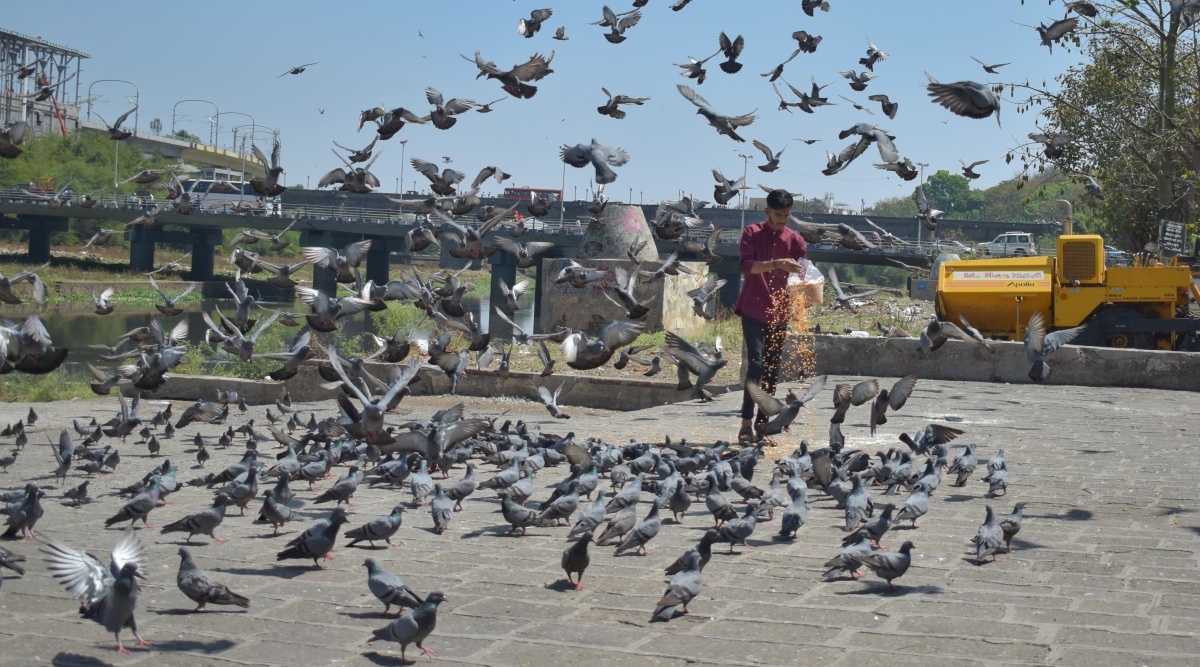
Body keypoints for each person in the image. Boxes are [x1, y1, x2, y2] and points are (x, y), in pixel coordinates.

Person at [734, 189, 808, 443]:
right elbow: (746, 266)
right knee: (756, 364)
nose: (782, 220)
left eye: (786, 216)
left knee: (771, 368)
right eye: (777, 215)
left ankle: (762, 425)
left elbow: (801, 279)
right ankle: (746, 423)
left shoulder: (796, 241)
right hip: (753, 307)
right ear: (767, 212)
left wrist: (807, 291)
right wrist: (777, 263)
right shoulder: (752, 233)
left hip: (780, 312)